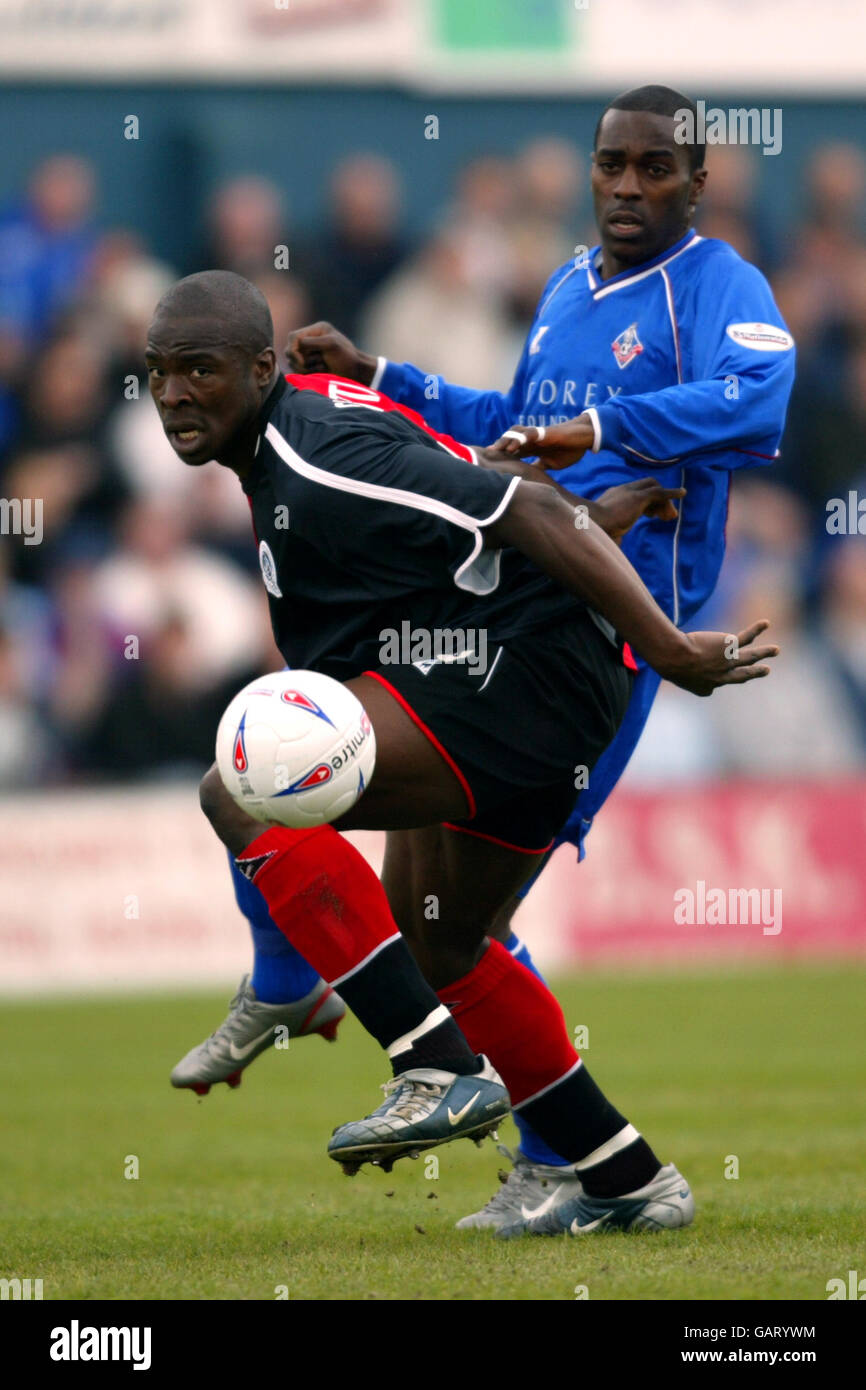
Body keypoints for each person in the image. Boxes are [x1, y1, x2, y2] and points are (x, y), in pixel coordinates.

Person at [176, 85, 796, 1231]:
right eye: (609, 164)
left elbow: (755, 402)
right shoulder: (568, 286)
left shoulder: (721, 288)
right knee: (439, 920)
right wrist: (387, 376)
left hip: (604, 643)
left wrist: (601, 436)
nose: (624, 187)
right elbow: (505, 426)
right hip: (514, 623)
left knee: (446, 911)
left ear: (696, 180)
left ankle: (548, 1147)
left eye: (652, 168)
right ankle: (596, 1165)